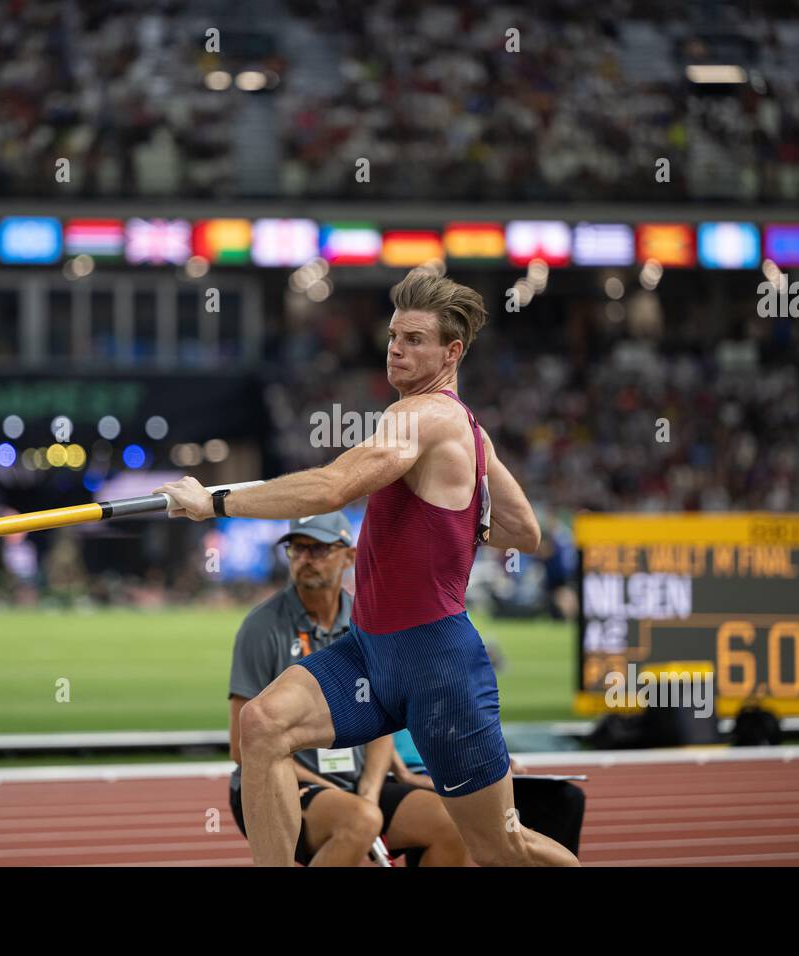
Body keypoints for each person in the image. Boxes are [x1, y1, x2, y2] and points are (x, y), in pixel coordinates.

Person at [156, 267, 578, 866]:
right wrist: (456, 514)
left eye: (414, 340)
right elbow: (524, 530)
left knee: (498, 846)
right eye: (393, 338)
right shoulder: (471, 433)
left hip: (437, 665)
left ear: (451, 352)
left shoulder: (422, 417)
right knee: (263, 726)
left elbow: (332, 488)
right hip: (372, 652)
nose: (397, 350)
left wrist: (213, 502)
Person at [227, 511, 468, 866]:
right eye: (297, 549)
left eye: (319, 549)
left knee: (452, 821)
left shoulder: (365, 620)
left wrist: (369, 792)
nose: (306, 559)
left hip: (355, 781)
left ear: (350, 556)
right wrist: (346, 797)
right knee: (360, 821)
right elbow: (241, 748)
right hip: (284, 782)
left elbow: (380, 720)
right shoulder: (261, 627)